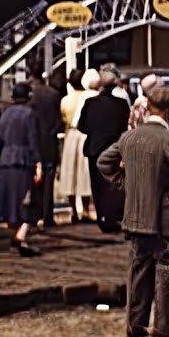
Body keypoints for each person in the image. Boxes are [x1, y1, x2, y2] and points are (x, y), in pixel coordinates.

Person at [97, 86, 169, 337]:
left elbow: (104, 162)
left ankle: (135, 323)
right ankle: (165, 326)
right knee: (166, 267)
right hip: (163, 214)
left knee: (138, 268)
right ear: (168, 111)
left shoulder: (129, 137)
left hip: (134, 213)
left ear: (149, 107)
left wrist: (124, 183)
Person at [0, 83, 43, 256]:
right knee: (27, 200)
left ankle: (17, 235)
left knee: (11, 201)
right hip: (23, 159)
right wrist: (38, 162)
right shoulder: (29, 114)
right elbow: (32, 140)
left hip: (6, 159)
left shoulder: (5, 114)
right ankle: (21, 236)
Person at [78, 68, 130, 232]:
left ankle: (101, 215)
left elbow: (82, 126)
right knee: (113, 183)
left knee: (96, 184)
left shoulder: (90, 103)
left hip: (94, 147)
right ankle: (112, 217)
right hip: (114, 149)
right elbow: (124, 127)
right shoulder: (121, 104)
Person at [57, 68, 95, 223]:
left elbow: (63, 118)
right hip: (85, 135)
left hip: (70, 135)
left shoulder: (66, 100)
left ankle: (73, 211)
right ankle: (86, 210)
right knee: (84, 174)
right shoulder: (89, 96)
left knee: (69, 173)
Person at [28, 73, 63, 230]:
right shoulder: (53, 95)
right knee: (49, 180)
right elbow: (57, 121)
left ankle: (34, 215)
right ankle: (47, 215)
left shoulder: (30, 96)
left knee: (34, 180)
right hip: (49, 141)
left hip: (33, 141)